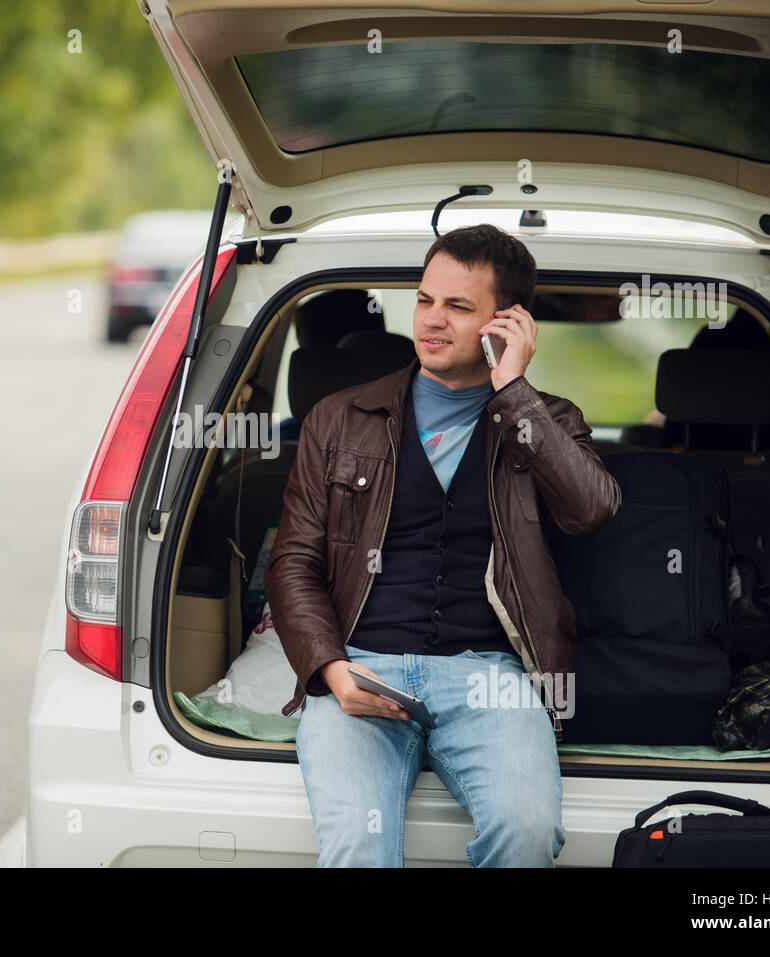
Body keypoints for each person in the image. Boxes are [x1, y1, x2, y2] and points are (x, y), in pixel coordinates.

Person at [263, 224, 622, 867]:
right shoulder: (340, 419)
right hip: (361, 665)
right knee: (357, 849)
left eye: (458, 307)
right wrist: (329, 668)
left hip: (490, 676)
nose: (432, 320)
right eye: (426, 300)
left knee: (528, 832)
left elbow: (592, 511)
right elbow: (293, 562)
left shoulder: (547, 419)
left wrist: (513, 393)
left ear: (507, 323)